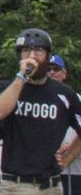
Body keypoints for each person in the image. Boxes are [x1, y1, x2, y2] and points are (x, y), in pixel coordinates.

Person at [0, 28, 81, 195]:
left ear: (47, 55)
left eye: (38, 50)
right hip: (16, 185)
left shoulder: (65, 94)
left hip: (51, 186)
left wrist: (68, 157)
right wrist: (22, 77)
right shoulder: (6, 87)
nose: (32, 55)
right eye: (26, 50)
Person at [48, 58, 81, 195]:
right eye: (48, 69)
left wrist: (71, 147)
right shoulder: (37, 99)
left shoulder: (76, 98)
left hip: (76, 169)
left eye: (56, 69)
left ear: (64, 73)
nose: (51, 73)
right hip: (48, 170)